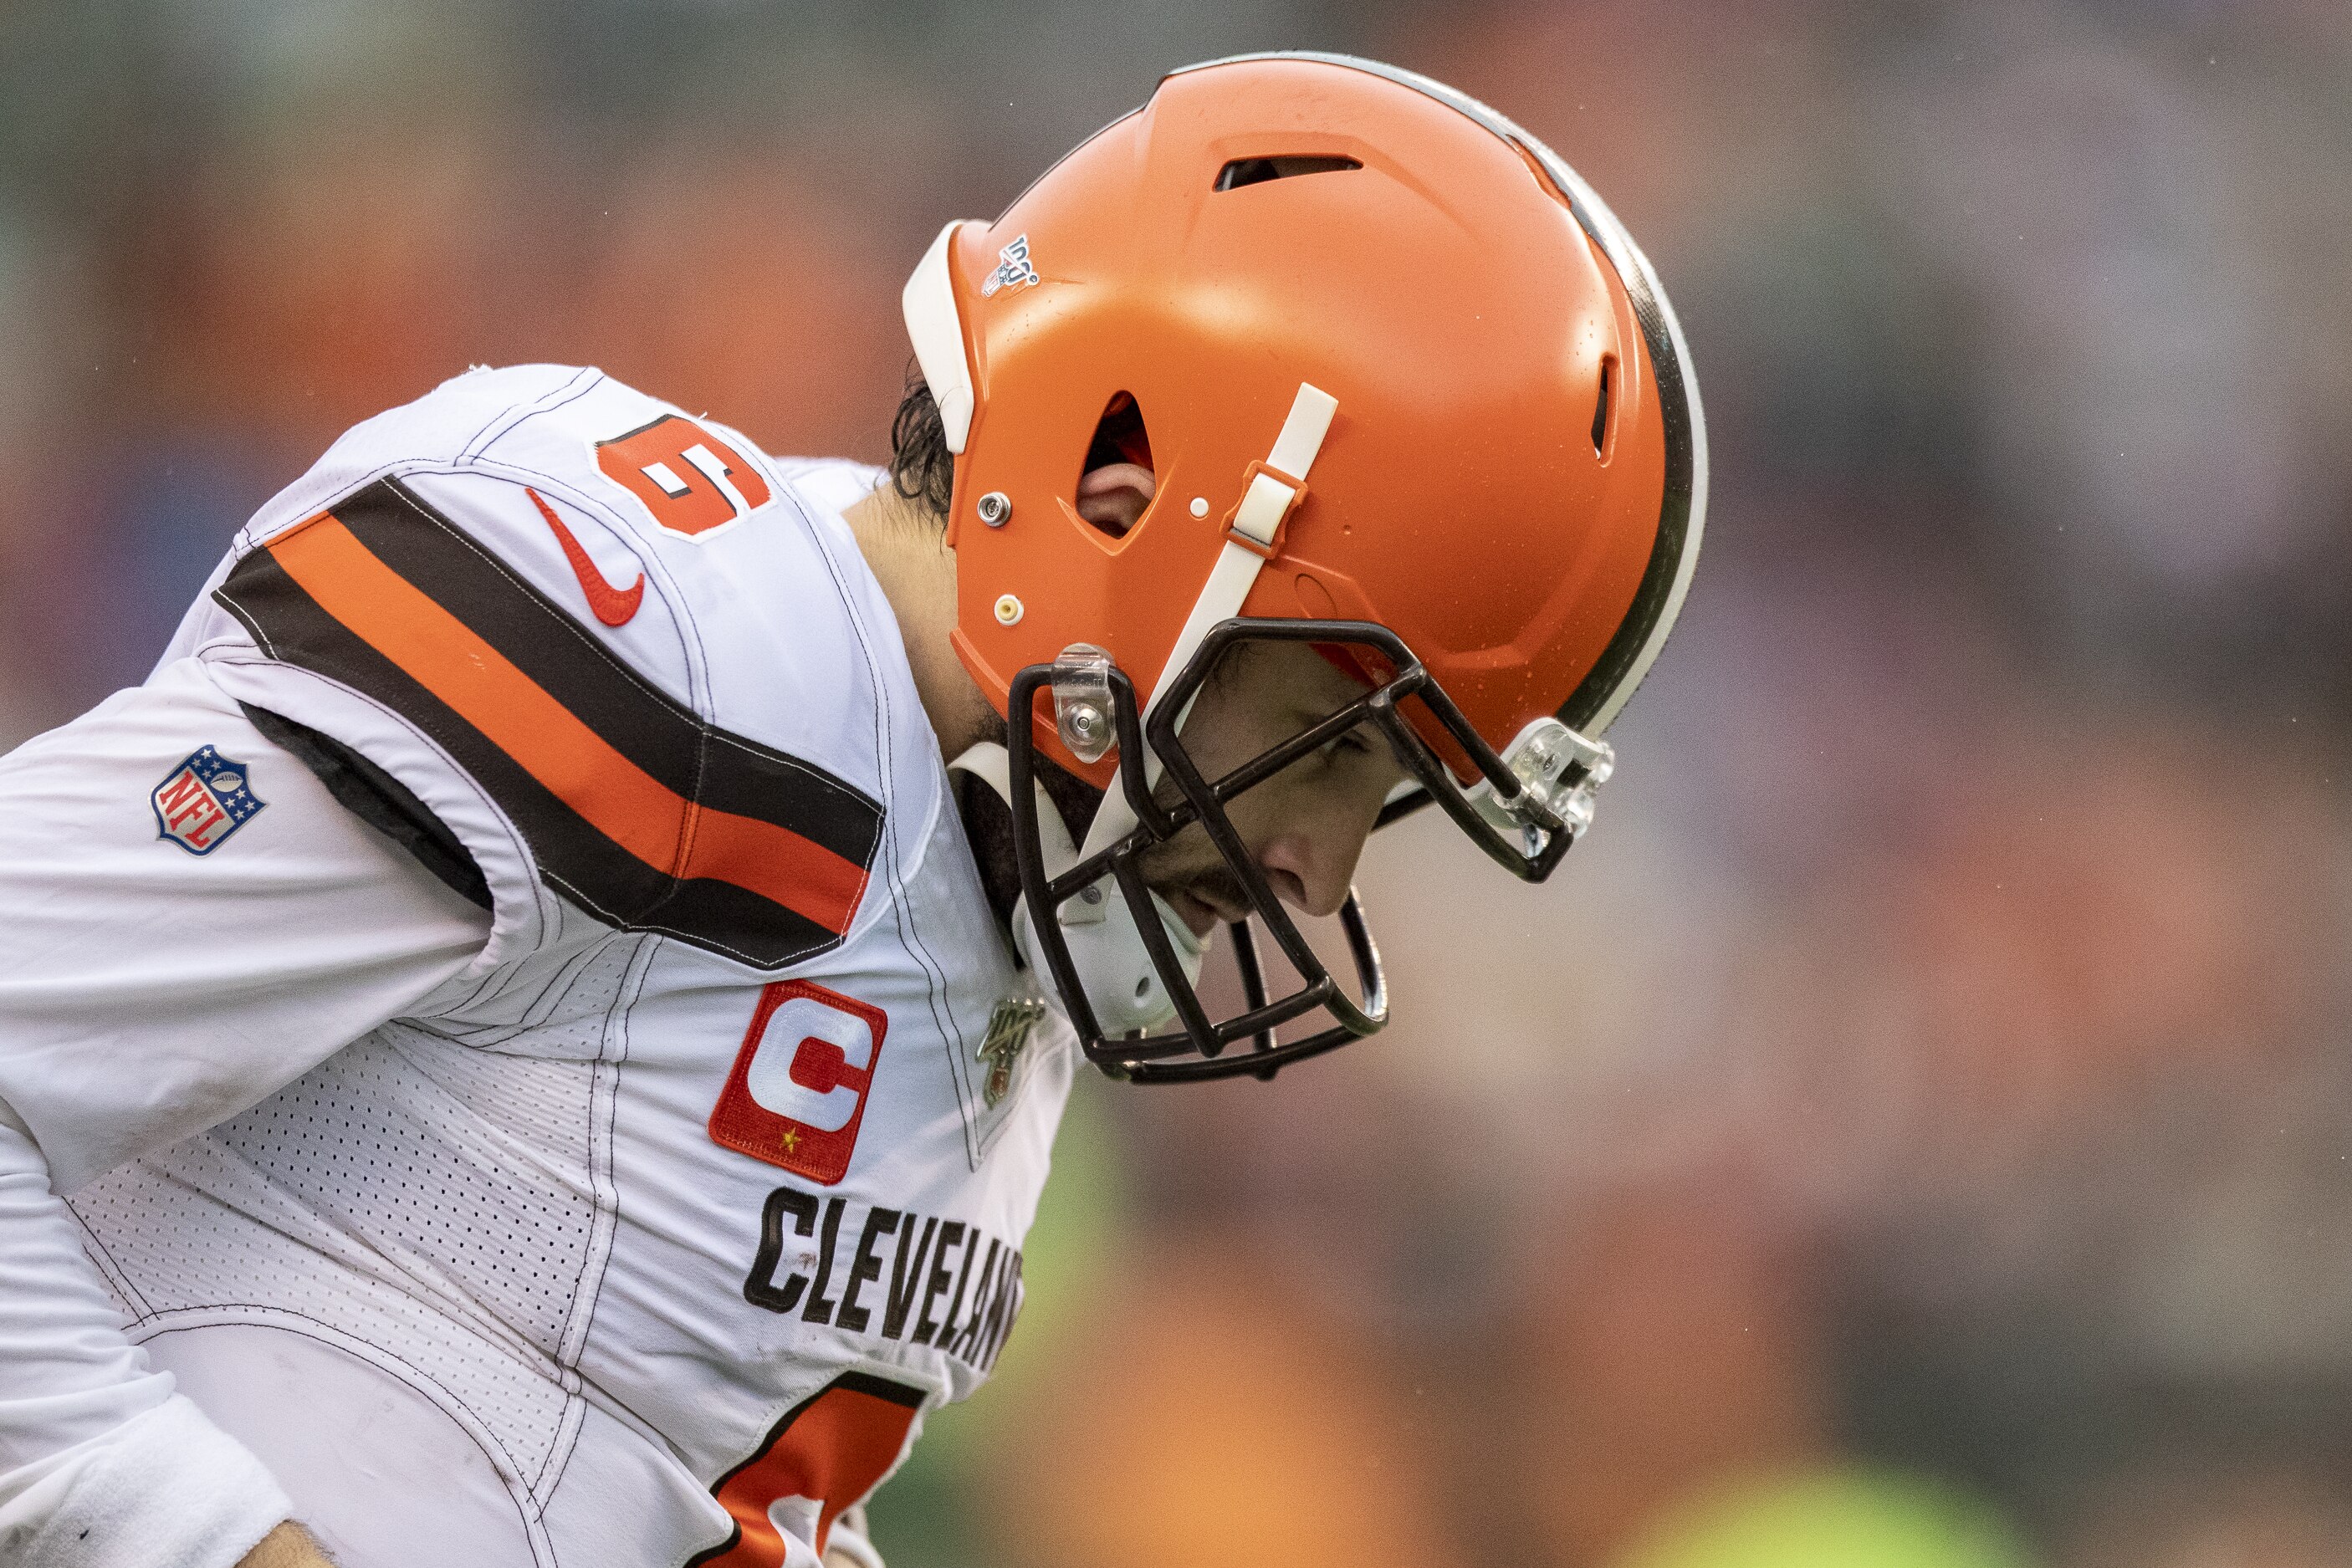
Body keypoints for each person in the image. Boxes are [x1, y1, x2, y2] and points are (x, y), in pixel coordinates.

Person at [0, 50, 1705, 1568]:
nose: (1314, 862)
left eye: (1391, 792)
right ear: (1126, 503)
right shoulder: (658, 647)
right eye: (1331, 734)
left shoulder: (989, 876)